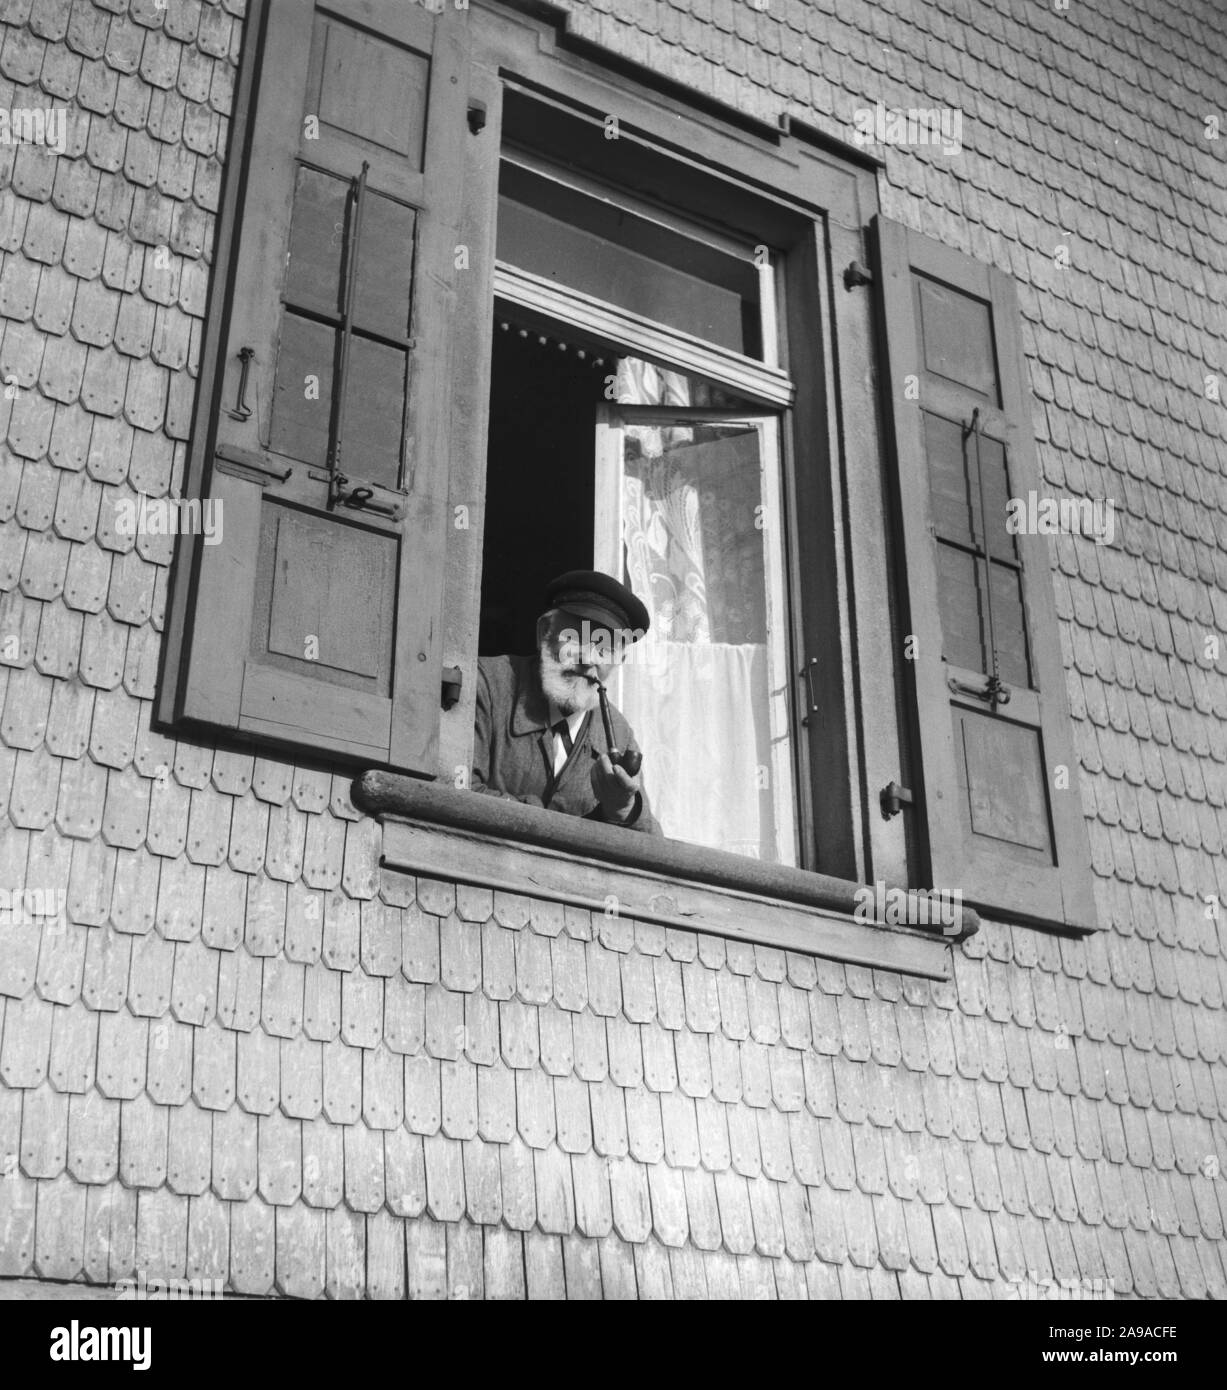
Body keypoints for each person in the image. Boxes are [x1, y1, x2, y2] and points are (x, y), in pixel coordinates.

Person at [472, 571, 662, 835]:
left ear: (619, 660)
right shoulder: (486, 686)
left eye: (604, 649)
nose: (588, 658)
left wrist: (622, 811)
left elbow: (650, 847)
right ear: (544, 633)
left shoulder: (618, 734)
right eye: (576, 638)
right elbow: (456, 791)